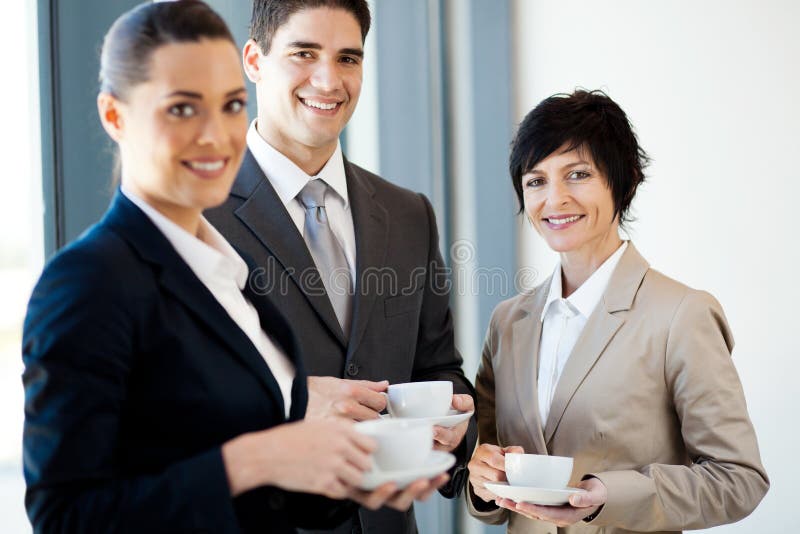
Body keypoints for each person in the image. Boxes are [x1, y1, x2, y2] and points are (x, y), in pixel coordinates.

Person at [21, 2, 443, 533]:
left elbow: (265, 493)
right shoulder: (87, 281)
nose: (216, 134)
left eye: (229, 106)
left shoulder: (225, 274)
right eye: (182, 109)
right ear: (114, 116)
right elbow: (63, 518)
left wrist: (347, 477)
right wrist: (252, 459)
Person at [206, 1, 476, 532]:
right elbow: (166, 402)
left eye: (348, 59)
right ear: (255, 61)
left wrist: (454, 426)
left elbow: (437, 366)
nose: (328, 80)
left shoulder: (408, 213)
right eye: (304, 53)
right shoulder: (198, 214)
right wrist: (290, 405)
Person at [466, 89, 769, 533]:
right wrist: (482, 478)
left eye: (578, 174)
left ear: (624, 180)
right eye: (536, 181)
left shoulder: (681, 315)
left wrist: (607, 495)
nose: (555, 199)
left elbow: (739, 479)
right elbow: (488, 469)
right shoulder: (508, 322)